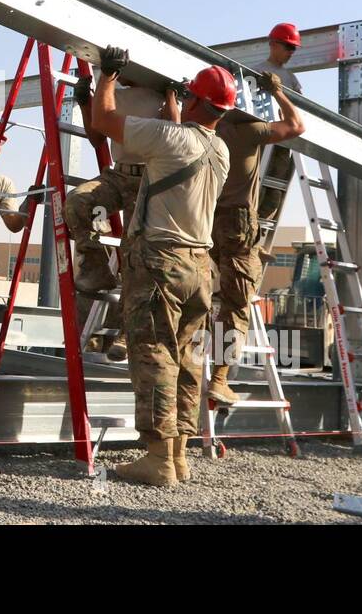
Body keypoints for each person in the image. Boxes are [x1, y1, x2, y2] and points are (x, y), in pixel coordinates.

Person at [88, 49, 232, 487]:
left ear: (192, 101)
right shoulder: (219, 150)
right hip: (200, 268)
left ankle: (156, 459)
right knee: (186, 360)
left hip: (160, 262)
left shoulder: (172, 140)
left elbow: (105, 120)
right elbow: (177, 124)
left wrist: (108, 77)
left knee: (153, 354)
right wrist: (175, 97)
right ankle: (178, 456)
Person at [207, 71, 305, 405]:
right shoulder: (250, 131)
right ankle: (219, 378)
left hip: (207, 217)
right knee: (236, 302)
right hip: (236, 220)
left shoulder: (214, 127)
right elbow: (295, 125)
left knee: (201, 296)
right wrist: (278, 93)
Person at [65, 74, 165, 360]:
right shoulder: (114, 90)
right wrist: (87, 103)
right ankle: (95, 268)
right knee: (79, 202)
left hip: (151, 177)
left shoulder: (161, 90)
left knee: (137, 256)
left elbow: (177, 129)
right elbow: (97, 137)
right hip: (120, 173)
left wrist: (172, 96)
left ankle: (125, 331)